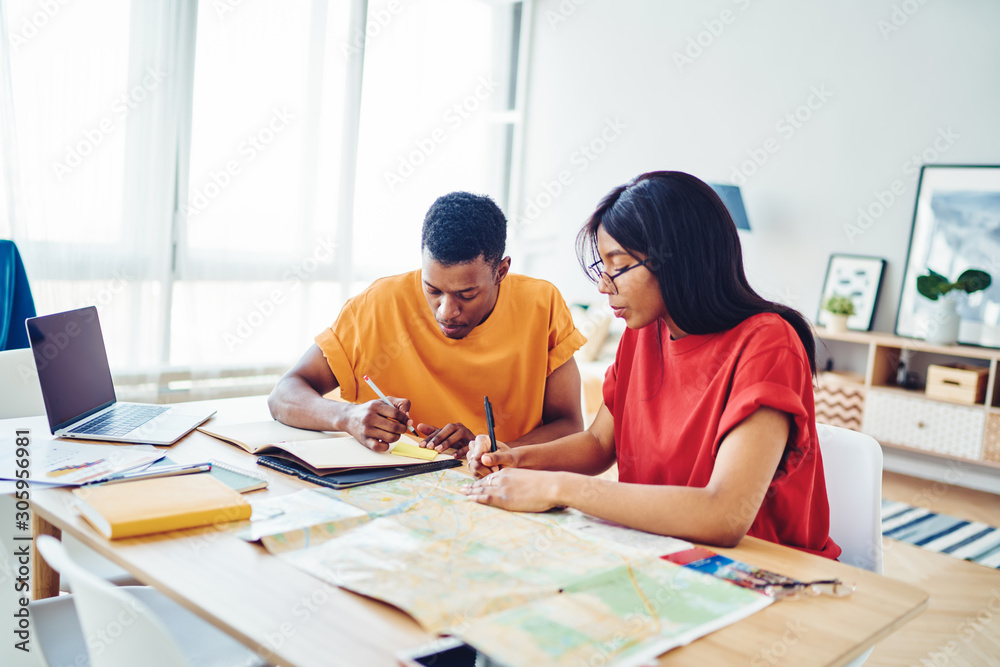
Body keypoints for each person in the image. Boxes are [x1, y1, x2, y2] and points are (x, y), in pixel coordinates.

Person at [463, 171, 841, 559]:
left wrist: (557, 487)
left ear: (680, 260)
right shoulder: (643, 332)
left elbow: (724, 515)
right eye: (603, 268)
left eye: (619, 266)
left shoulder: (768, 344)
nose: (603, 285)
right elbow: (598, 444)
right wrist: (514, 458)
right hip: (656, 549)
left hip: (764, 571)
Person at [268, 191, 587, 457]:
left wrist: (496, 451)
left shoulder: (540, 304)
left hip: (498, 486)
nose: (447, 311)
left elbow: (570, 425)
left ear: (501, 271)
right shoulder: (380, 302)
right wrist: (346, 416)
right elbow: (284, 393)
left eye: (467, 294)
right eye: (433, 289)